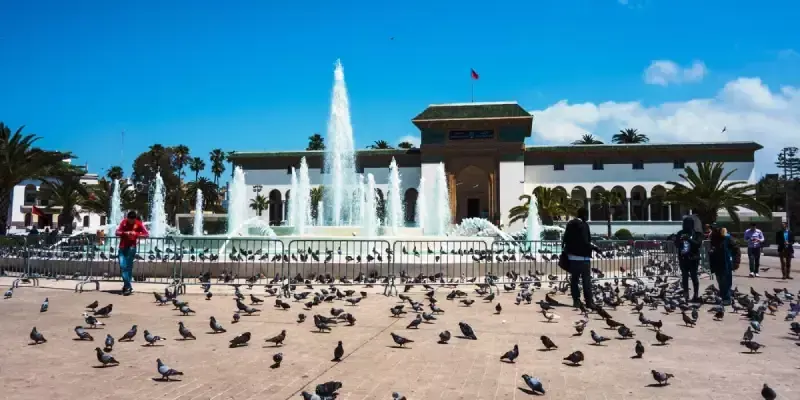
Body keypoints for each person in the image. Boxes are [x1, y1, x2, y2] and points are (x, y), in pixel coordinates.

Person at [562, 207, 602, 308]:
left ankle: (576, 301)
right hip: (583, 259)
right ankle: (589, 302)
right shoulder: (583, 225)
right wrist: (595, 248)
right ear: (584, 215)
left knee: (574, 281)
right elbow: (585, 241)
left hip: (572, 258)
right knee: (586, 281)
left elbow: (565, 238)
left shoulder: (570, 224)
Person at [115, 211, 149, 295]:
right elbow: (117, 232)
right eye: (129, 220)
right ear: (127, 218)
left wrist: (136, 234)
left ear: (135, 219)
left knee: (128, 267)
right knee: (123, 266)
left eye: (132, 220)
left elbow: (146, 234)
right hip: (122, 247)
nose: (131, 222)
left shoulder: (138, 223)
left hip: (131, 248)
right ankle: (128, 286)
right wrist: (124, 233)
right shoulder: (123, 222)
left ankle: (127, 286)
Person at [674, 215, 702, 302]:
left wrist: (688, 239)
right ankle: (686, 295)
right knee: (685, 277)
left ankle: (696, 295)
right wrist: (678, 240)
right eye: (685, 223)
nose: (685, 225)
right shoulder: (680, 233)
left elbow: (698, 244)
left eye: (687, 223)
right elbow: (677, 245)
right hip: (683, 259)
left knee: (694, 276)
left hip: (693, 259)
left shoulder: (697, 234)